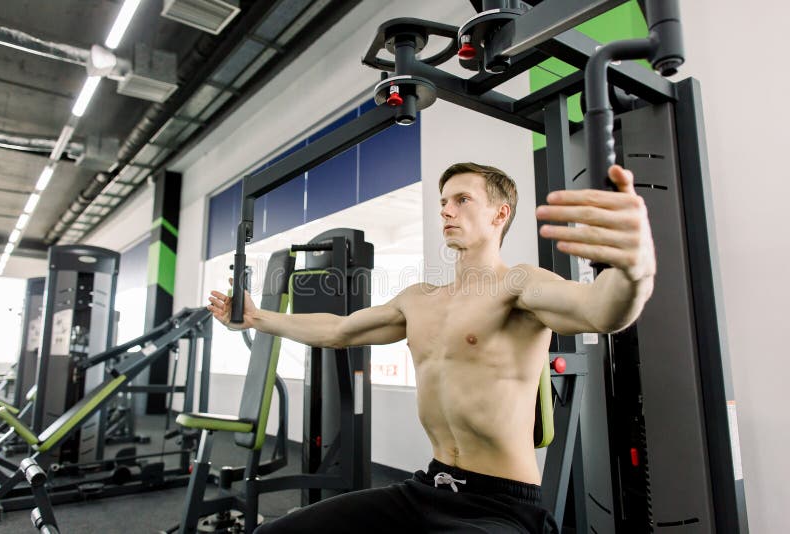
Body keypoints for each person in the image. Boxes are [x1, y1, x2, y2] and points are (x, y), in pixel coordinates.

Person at [207, 162, 656, 533]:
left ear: (500, 214)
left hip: (499, 505)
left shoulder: (519, 285)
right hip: (426, 488)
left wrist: (633, 269)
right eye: (443, 202)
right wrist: (258, 318)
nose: (446, 210)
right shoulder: (419, 299)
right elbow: (338, 330)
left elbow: (601, 311)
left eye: (462, 200)